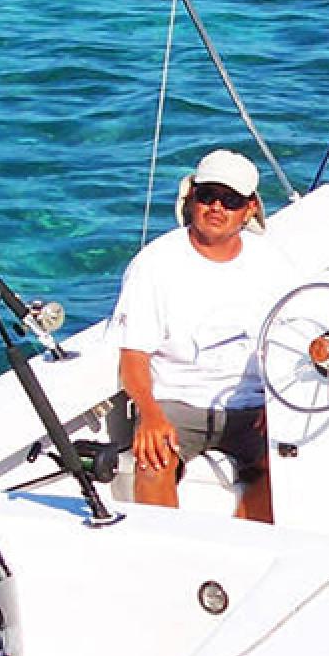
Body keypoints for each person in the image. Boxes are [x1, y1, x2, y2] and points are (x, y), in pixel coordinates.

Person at [111, 148, 287, 523]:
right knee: (152, 461)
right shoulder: (154, 264)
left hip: (254, 406)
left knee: (290, 463)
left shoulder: (273, 263)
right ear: (190, 199)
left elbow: (294, 342)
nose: (217, 207)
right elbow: (133, 359)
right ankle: (166, 551)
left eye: (231, 200)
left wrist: (279, 404)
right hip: (177, 403)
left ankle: (242, 541)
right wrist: (151, 415)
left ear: (250, 208)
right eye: (207, 196)